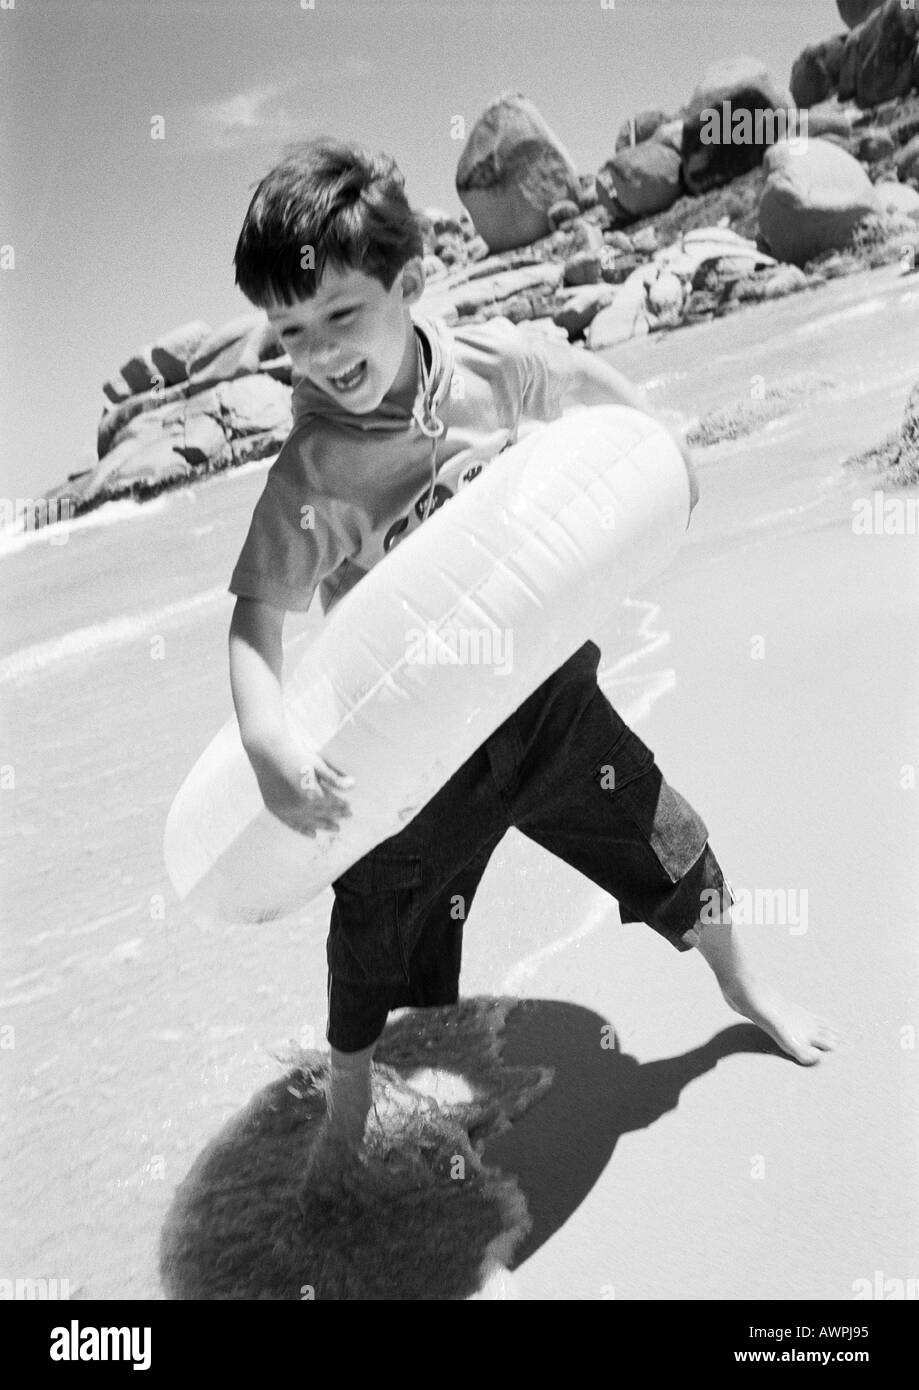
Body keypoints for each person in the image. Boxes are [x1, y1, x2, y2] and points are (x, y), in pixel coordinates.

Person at [227, 138, 837, 1170]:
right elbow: (254, 618)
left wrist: (658, 450)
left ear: (407, 285)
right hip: (420, 754)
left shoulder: (480, 369)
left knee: (662, 834)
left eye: (342, 314)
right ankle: (347, 1110)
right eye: (293, 331)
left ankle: (742, 983)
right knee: (379, 927)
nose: (323, 352)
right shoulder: (314, 471)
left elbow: (578, 376)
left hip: (542, 694)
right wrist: (266, 739)